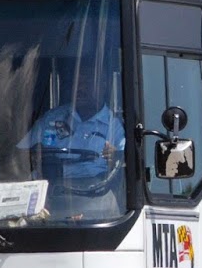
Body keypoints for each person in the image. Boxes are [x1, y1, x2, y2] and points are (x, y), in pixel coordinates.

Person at [19, 74, 126, 217]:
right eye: (77, 83)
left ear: (103, 85)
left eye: (87, 82)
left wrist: (115, 157)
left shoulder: (115, 127)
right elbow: (20, 155)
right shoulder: (53, 118)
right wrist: (34, 153)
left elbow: (124, 167)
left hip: (96, 198)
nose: (80, 88)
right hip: (49, 196)